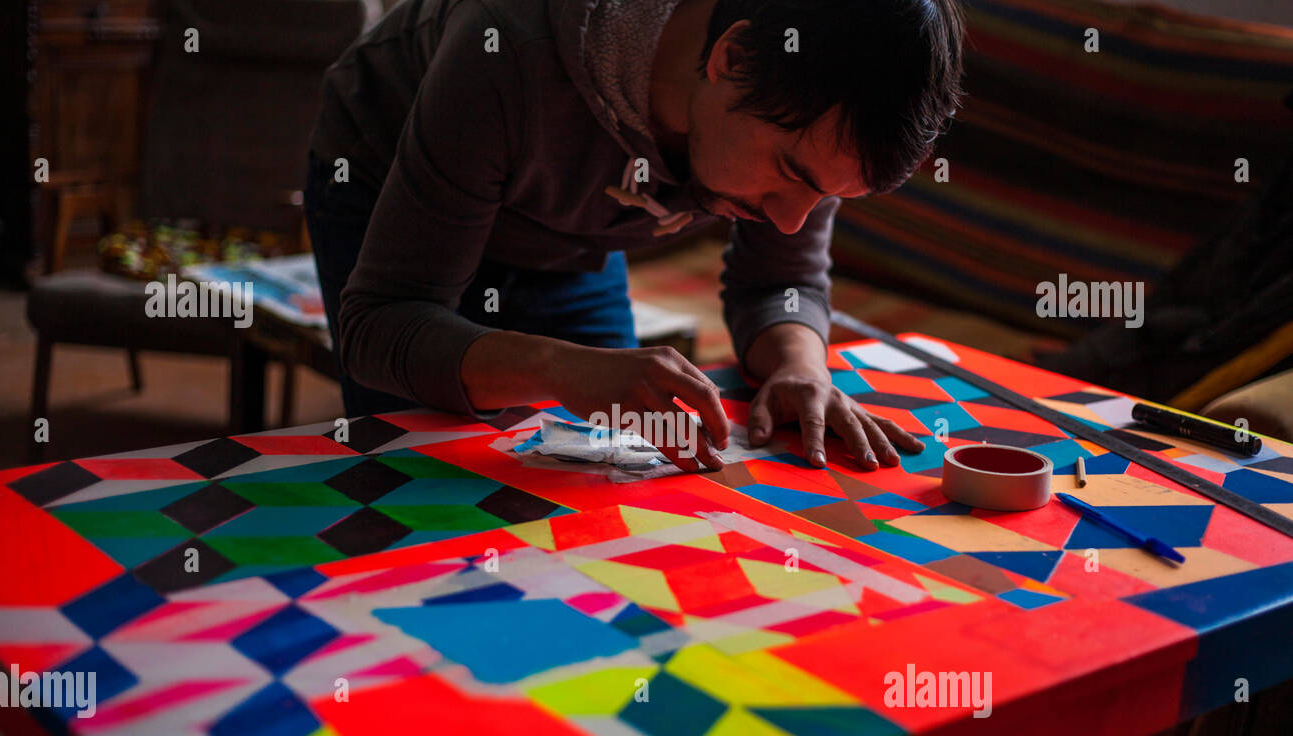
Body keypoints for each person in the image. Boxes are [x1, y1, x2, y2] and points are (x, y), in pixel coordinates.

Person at [304, 0, 963, 471]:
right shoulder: (508, 43)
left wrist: (799, 365)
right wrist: (557, 366)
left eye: (826, 195)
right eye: (792, 173)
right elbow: (382, 325)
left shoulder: (810, 109)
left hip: (573, 234)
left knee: (613, 471)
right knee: (420, 478)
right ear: (731, 59)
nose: (792, 219)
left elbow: (782, 279)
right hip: (386, 175)